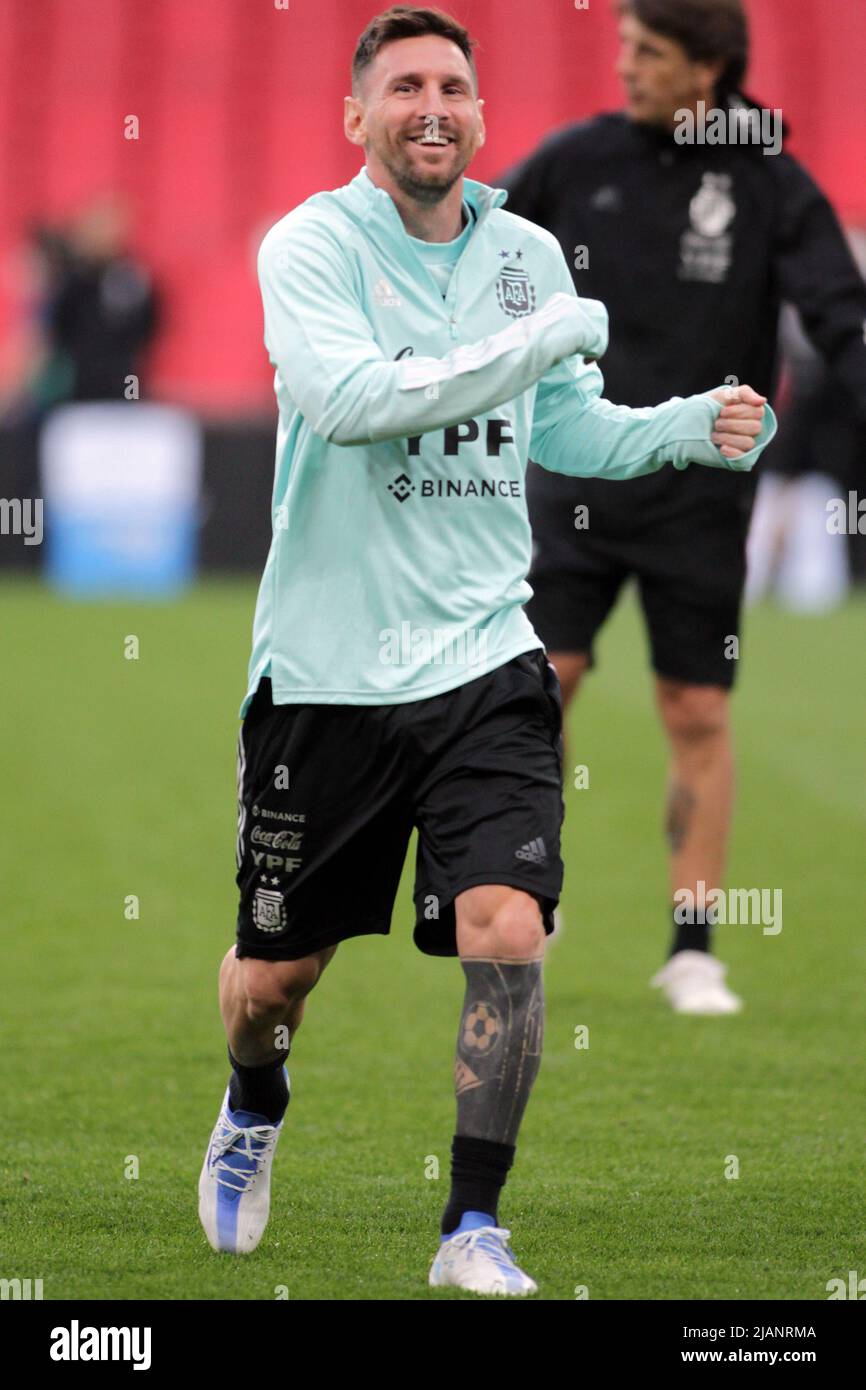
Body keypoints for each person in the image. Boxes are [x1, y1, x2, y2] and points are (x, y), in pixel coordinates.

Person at [197, 3, 774, 1295]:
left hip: (483, 657)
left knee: (507, 928)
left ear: (478, 112)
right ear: (358, 118)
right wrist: (536, 341)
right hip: (327, 674)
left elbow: (562, 429)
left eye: (452, 84)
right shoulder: (310, 246)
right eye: (402, 86)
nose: (431, 105)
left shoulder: (524, 253)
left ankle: (470, 1225)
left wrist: (681, 426)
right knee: (273, 981)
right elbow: (347, 404)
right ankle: (252, 1103)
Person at [499, 0, 866, 1014]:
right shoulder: (576, 160)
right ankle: (533, 880)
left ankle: (693, 945)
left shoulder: (767, 180)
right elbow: (473, 247)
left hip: (701, 491)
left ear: (707, 70)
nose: (623, 68)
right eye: (621, 46)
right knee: (541, 683)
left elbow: (839, 315)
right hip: (573, 475)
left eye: (646, 53)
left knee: (695, 709)